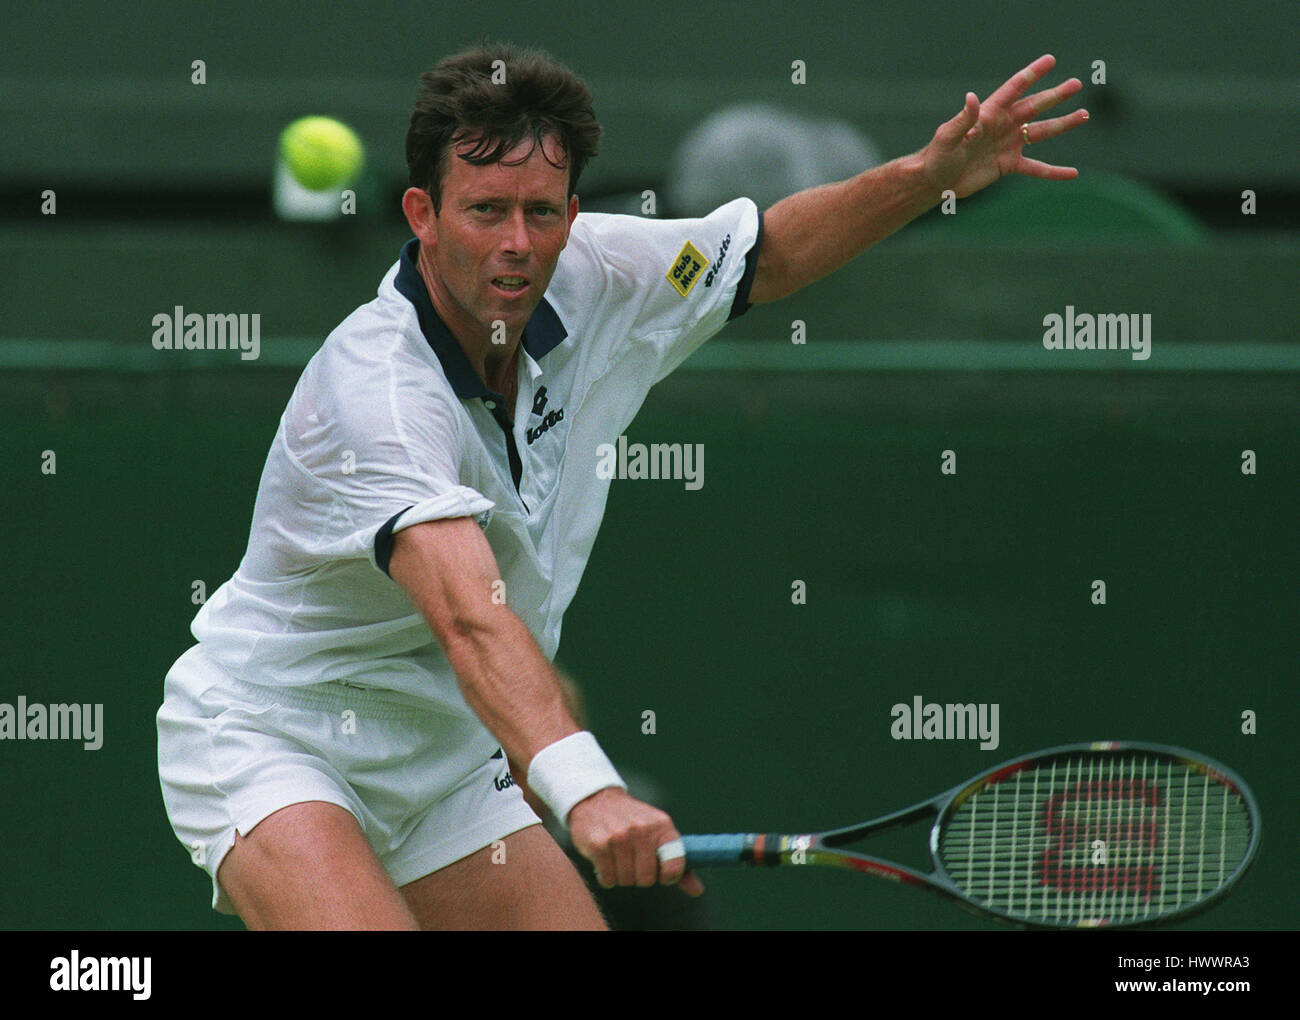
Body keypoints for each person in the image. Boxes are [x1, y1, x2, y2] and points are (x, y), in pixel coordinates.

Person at [157, 42, 1086, 930]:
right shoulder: (379, 398)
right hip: (275, 736)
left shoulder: (599, 272)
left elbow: (770, 255)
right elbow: (470, 617)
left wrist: (924, 177)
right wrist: (590, 789)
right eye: (486, 210)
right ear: (422, 214)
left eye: (543, 210)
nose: (519, 244)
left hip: (443, 761)